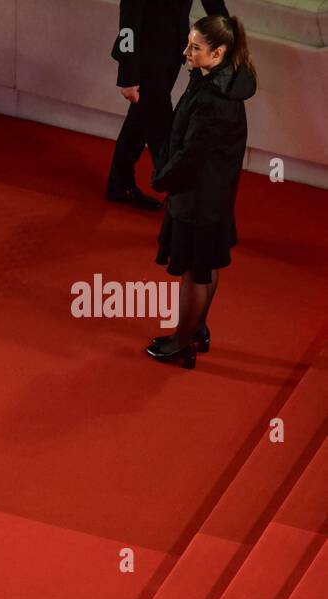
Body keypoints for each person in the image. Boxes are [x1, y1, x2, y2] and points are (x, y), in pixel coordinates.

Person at [145, 14, 256, 369]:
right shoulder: (217, 80)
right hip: (214, 197)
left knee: (194, 270)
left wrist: (162, 178)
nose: (186, 52)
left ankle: (181, 342)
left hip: (198, 197)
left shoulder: (214, 100)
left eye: (195, 47)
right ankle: (197, 329)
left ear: (219, 52)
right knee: (205, 265)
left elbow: (192, 154)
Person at [107, 0, 229, 210]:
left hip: (172, 55)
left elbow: (214, 5)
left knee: (139, 119)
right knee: (161, 127)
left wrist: (232, 40)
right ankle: (180, 195)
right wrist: (128, 74)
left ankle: (119, 183)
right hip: (143, 57)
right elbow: (129, 17)